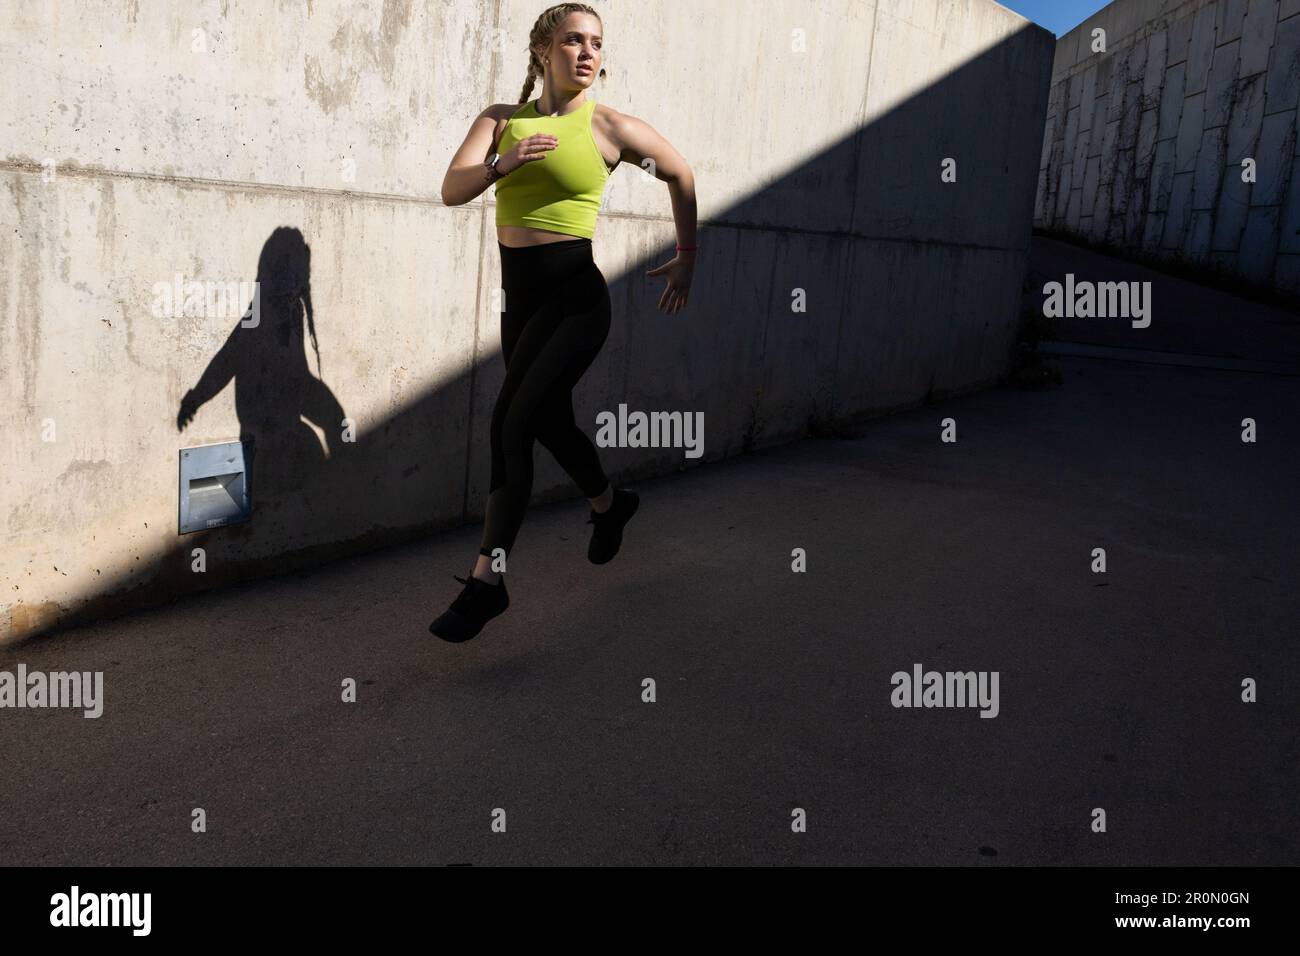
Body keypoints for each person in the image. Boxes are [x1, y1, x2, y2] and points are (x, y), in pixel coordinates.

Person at [432, 2, 697, 641]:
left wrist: (687, 258)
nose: (587, 52)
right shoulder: (501, 121)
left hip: (578, 302)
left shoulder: (609, 127)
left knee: (510, 423)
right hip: (521, 307)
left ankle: (487, 581)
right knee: (549, 421)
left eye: (597, 43)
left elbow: (682, 173)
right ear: (543, 50)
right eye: (574, 40)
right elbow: (452, 189)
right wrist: (503, 164)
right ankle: (609, 505)